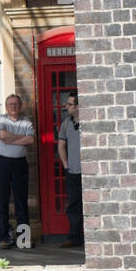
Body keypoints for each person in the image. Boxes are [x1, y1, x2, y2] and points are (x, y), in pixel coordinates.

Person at [0, 94, 35, 249]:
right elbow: (2, 135)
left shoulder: (26, 121)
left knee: (21, 201)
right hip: (3, 163)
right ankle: (3, 238)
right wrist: (20, 139)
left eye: (16, 104)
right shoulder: (1, 119)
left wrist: (11, 139)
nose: (13, 107)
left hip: (20, 164)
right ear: (6, 106)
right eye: (10, 104)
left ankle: (23, 240)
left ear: (21, 105)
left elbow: (30, 140)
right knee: (1, 201)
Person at [56, 91, 82, 248]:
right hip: (72, 171)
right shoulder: (66, 123)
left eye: (70, 104)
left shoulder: (90, 121)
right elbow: (61, 145)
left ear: (78, 106)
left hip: (90, 171)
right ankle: (74, 238)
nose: (66, 107)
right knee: (73, 205)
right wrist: (65, 165)